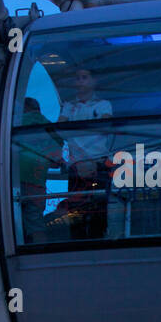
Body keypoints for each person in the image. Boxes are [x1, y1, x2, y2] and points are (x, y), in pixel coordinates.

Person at [58, 67, 114, 239]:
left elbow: (105, 125)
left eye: (85, 77)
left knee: (99, 208)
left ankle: (99, 242)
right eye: (77, 78)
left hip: (98, 163)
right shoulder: (68, 106)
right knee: (76, 210)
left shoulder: (103, 104)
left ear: (94, 81)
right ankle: (78, 244)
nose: (80, 81)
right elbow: (60, 128)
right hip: (77, 164)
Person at [17, 98, 63, 243]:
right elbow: (57, 155)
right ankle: (40, 250)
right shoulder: (49, 127)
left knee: (12, 219)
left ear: (25, 108)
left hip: (16, 177)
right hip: (37, 182)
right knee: (36, 222)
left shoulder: (16, 123)